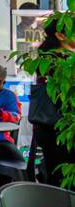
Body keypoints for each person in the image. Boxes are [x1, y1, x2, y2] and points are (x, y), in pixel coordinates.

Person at [30, 19, 74, 181]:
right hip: (57, 127)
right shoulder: (53, 59)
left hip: (52, 126)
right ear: (60, 35)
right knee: (60, 176)